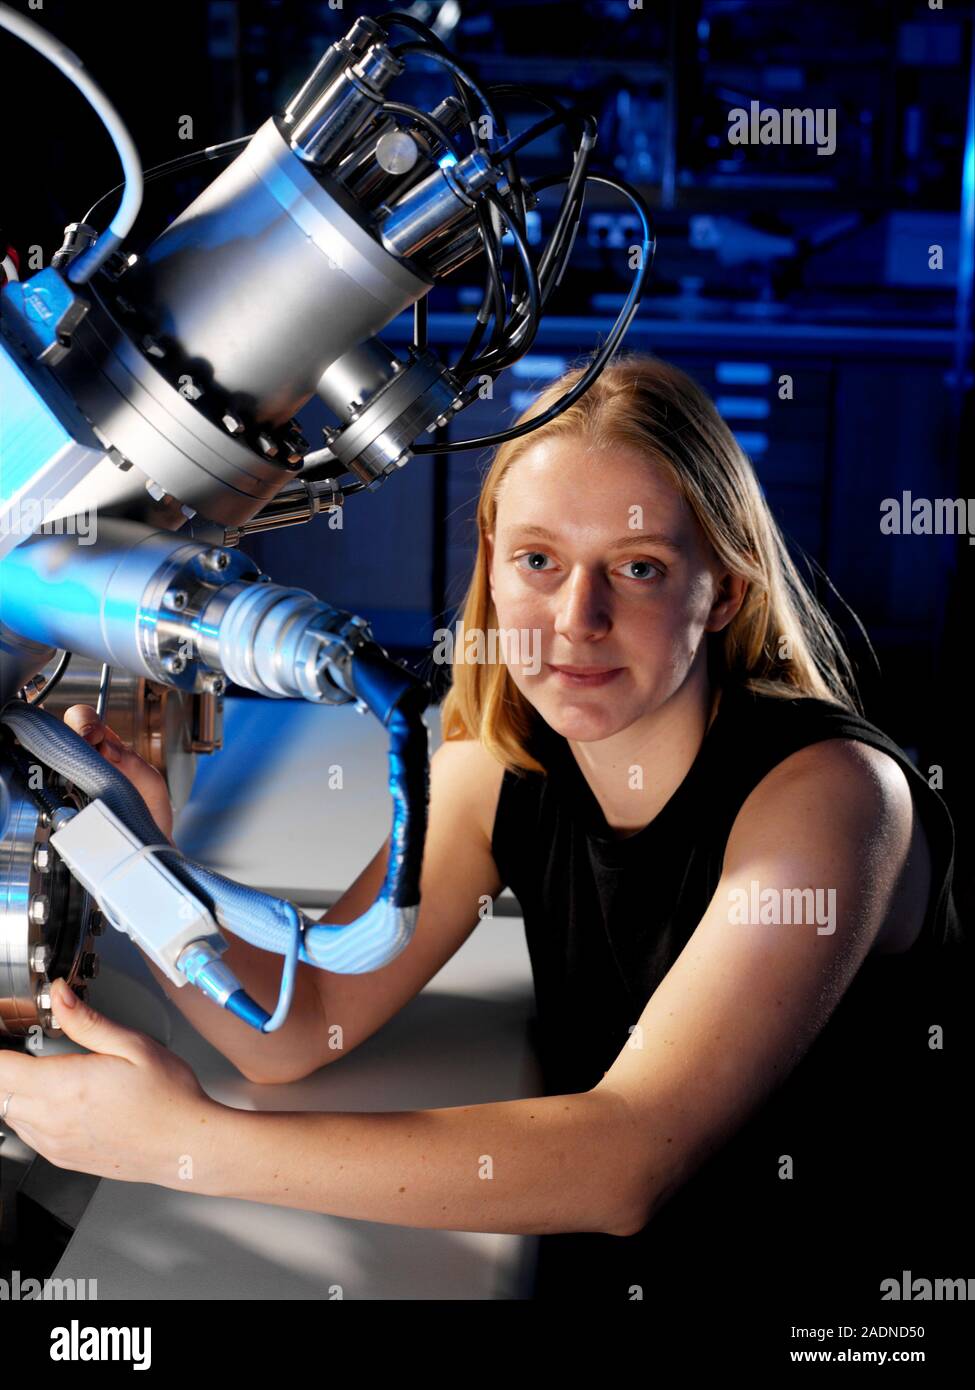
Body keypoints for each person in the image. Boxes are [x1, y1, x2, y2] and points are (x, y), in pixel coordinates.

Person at [1, 352, 966, 1314]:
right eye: (538, 561)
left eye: (638, 569)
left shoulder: (834, 797)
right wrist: (152, 857)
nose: (575, 621)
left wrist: (183, 1146)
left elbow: (625, 1163)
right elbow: (295, 1028)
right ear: (493, 570)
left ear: (723, 594)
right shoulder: (502, 767)